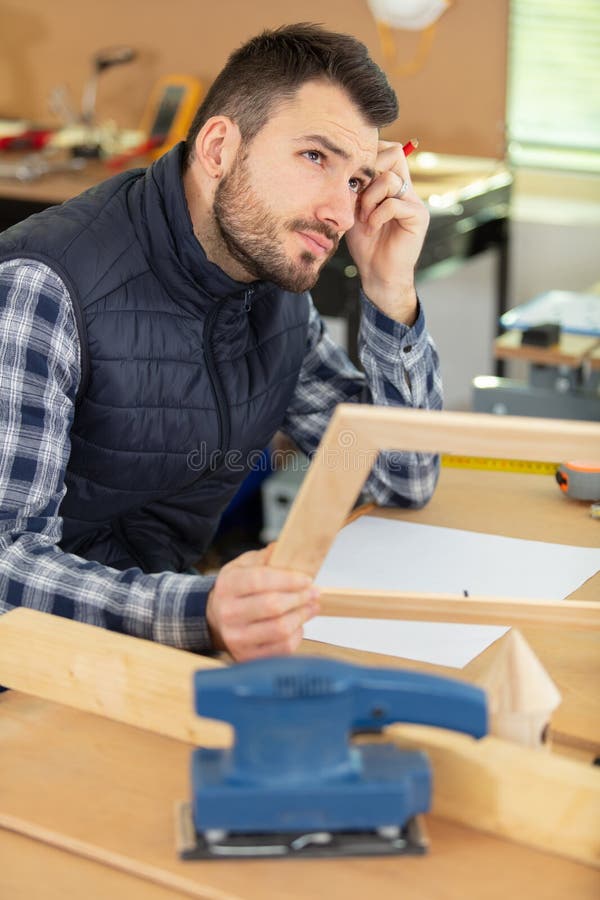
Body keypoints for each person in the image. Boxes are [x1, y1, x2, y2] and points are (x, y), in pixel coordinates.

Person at [0, 24, 442, 662]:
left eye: (356, 181)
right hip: (35, 679)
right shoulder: (42, 289)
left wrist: (390, 293)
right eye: (315, 157)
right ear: (218, 148)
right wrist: (195, 609)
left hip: (146, 654)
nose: (341, 214)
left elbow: (401, 479)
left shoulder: (273, 285)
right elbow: (7, 569)